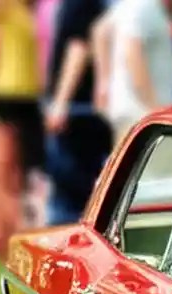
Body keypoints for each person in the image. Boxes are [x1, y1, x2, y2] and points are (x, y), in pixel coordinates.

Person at [0, 0, 45, 257]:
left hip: (30, 98)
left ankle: (16, 231)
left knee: (26, 170)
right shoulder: (8, 6)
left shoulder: (34, 11)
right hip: (8, 95)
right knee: (4, 167)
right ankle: (8, 232)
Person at [43, 0, 113, 225]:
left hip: (77, 110)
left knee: (69, 200)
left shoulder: (79, 4)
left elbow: (79, 46)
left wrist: (61, 101)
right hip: (85, 108)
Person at [93, 0, 172, 145]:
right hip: (144, 120)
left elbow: (100, 31)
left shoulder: (132, 5)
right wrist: (153, 107)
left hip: (135, 116)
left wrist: (104, 82)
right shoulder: (145, 6)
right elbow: (131, 52)